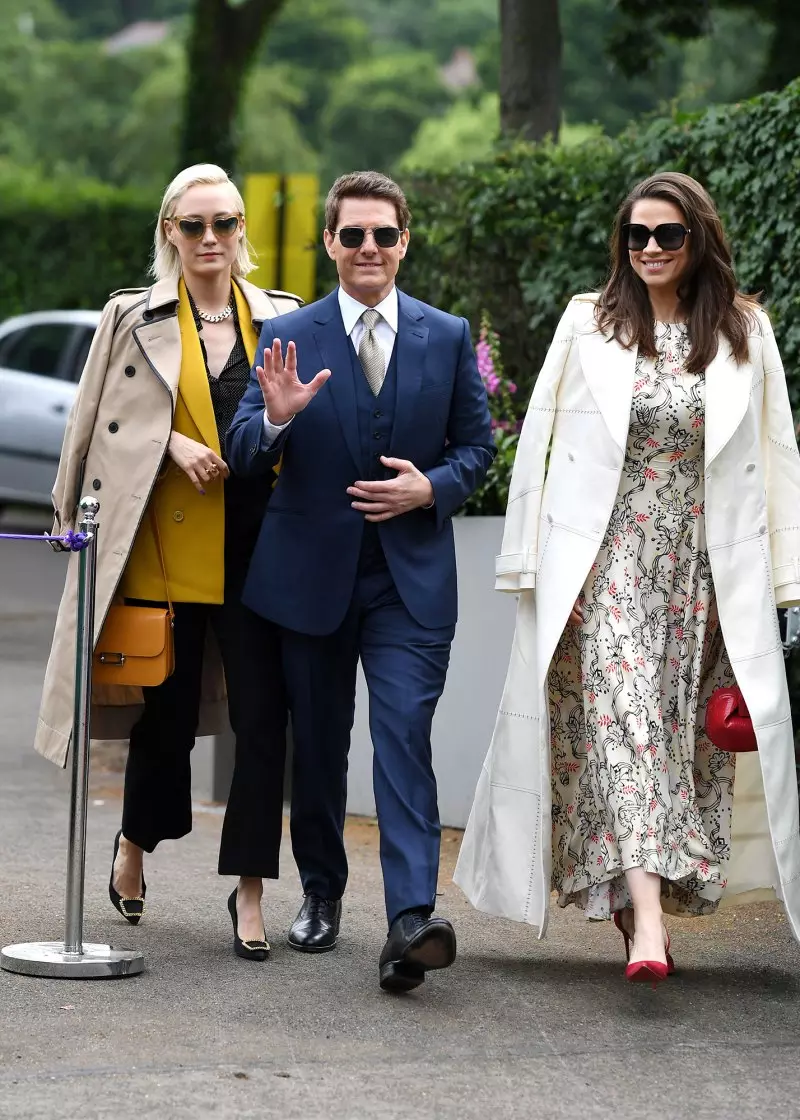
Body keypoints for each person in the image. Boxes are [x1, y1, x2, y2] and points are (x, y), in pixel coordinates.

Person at [455, 171, 800, 984]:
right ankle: (647, 923)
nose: (648, 249)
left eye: (667, 236)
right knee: (627, 723)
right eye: (636, 236)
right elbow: (538, 434)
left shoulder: (746, 331)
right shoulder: (590, 323)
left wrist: (787, 585)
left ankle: (628, 904)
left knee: (665, 743)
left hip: (701, 575)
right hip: (602, 564)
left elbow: (778, 457)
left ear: (698, 242)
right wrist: (526, 561)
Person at [227, 170, 494, 992]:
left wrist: (431, 488)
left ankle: (412, 919)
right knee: (319, 746)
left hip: (409, 584)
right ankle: (321, 890)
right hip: (307, 579)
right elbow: (242, 450)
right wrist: (275, 416)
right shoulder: (289, 334)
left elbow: (477, 453)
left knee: (404, 737)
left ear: (405, 241)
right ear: (329, 244)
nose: (368, 248)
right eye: (353, 236)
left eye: (384, 234)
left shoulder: (446, 337)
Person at [35, 164, 301, 961]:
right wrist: (165, 449)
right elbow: (88, 428)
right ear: (169, 234)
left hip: (260, 549)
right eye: (194, 226)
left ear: (242, 231)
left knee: (263, 724)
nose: (210, 239)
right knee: (167, 720)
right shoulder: (130, 316)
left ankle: (250, 890)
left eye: (224, 223)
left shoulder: (283, 317)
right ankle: (134, 844)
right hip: (163, 546)